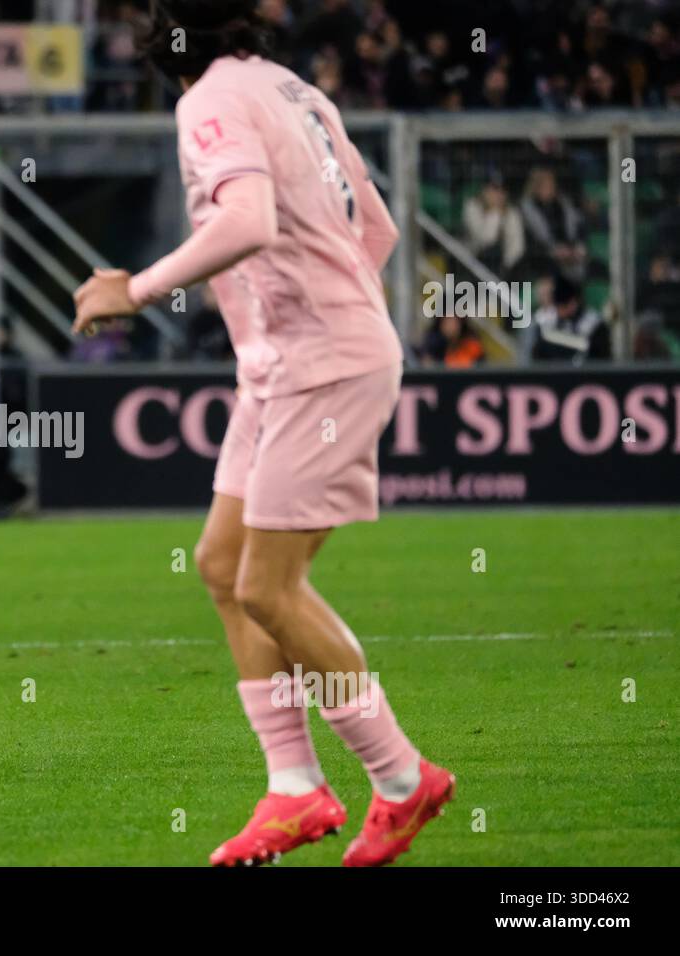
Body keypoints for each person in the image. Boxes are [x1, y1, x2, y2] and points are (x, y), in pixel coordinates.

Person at [73, 0, 454, 868]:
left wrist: (132, 289)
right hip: (288, 366)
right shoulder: (296, 91)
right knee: (222, 565)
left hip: (318, 366)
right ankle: (294, 789)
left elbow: (248, 222)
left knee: (270, 589)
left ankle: (402, 783)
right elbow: (379, 228)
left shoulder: (205, 98)